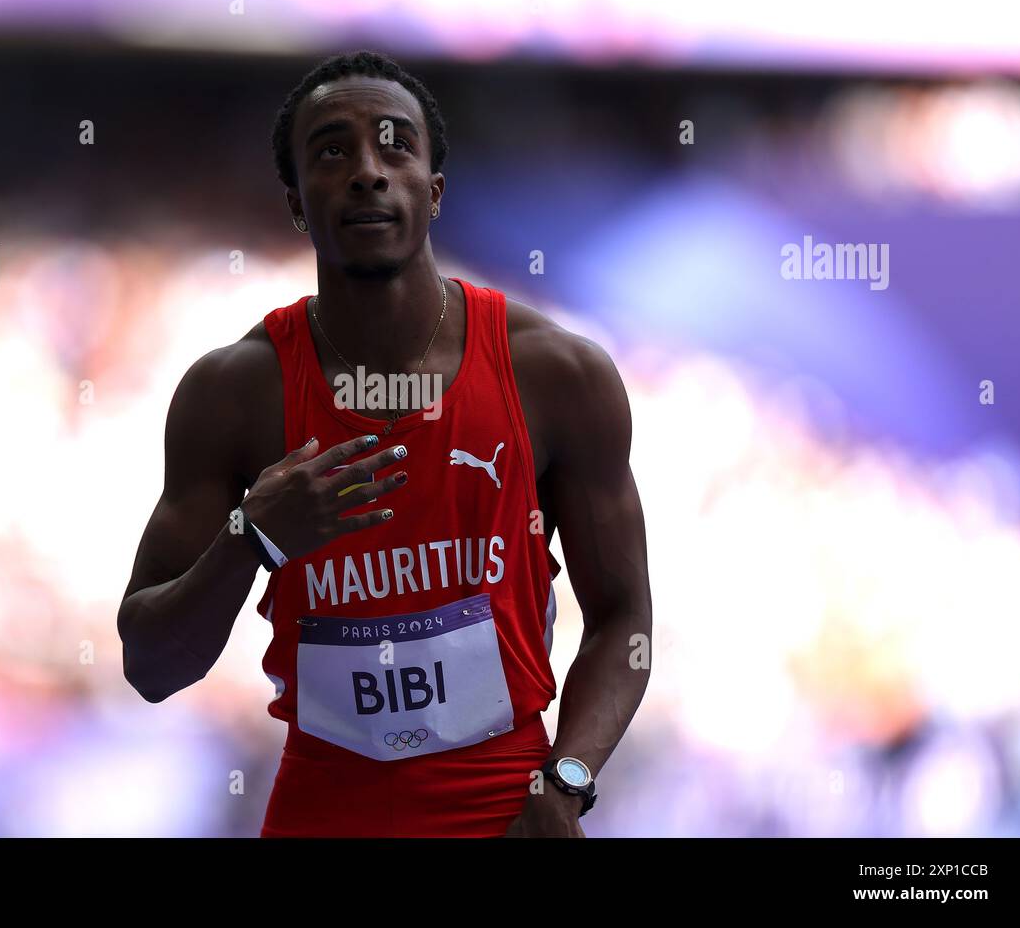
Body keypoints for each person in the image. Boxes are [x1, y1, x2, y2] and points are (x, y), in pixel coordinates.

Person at [118, 50, 652, 837]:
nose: (368, 170)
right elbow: (150, 666)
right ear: (298, 205)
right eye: (332, 150)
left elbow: (625, 620)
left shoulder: (556, 373)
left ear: (433, 192)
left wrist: (568, 776)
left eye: (395, 144)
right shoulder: (234, 393)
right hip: (324, 807)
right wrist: (252, 538)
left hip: (505, 808)